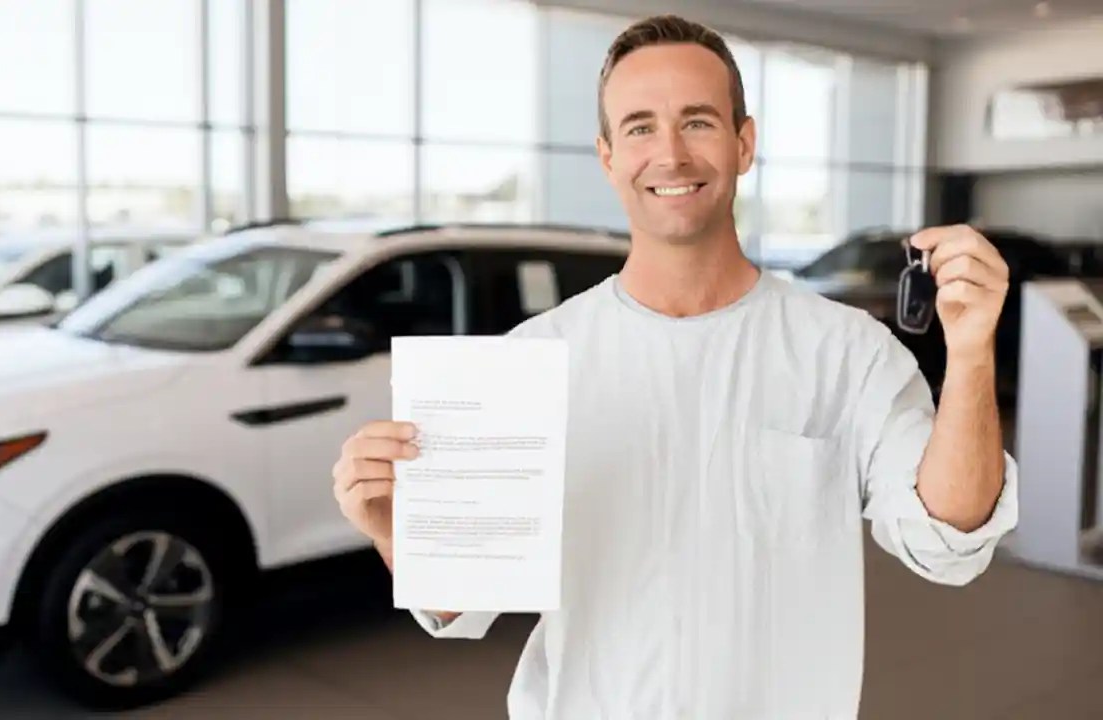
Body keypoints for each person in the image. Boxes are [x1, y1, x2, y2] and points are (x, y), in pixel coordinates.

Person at [331, 14, 1017, 719]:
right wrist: (393, 530)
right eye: (638, 127)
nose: (670, 154)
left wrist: (969, 357)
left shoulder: (847, 352)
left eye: (697, 122)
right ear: (606, 156)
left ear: (743, 143)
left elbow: (948, 537)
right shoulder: (534, 361)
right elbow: (465, 602)